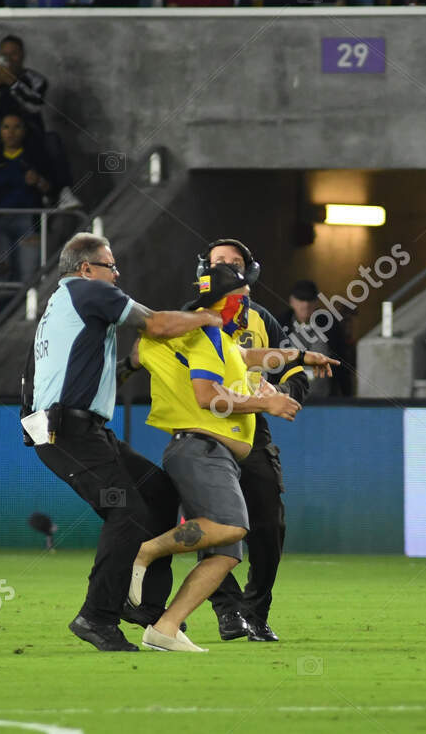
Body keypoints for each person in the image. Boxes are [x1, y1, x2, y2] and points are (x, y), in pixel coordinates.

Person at [24, 233, 223, 651]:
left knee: (159, 492)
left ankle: (145, 605)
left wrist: (132, 363)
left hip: (79, 430)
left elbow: (78, 373)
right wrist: (205, 319)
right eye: (110, 266)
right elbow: (157, 324)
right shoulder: (87, 291)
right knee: (126, 510)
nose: (117, 274)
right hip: (70, 432)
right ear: (86, 269)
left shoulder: (62, 303)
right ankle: (96, 616)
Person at [127, 256, 306, 652]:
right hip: (202, 448)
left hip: (209, 451)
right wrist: (266, 405)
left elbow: (246, 359)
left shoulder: (206, 338)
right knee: (232, 527)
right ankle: (144, 551)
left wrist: (300, 357)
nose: (245, 306)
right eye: (240, 298)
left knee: (226, 554)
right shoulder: (208, 335)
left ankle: (166, 628)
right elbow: (207, 397)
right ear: (226, 301)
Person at [185, 242, 327, 643]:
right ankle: (227, 611)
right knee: (216, 526)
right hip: (203, 430)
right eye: (219, 264)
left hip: (251, 431)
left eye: (235, 264)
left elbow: (295, 369)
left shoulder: (262, 318)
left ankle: (256, 612)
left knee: (269, 525)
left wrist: (284, 394)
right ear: (203, 271)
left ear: (250, 272)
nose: (229, 270)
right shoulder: (187, 318)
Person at [0, 113, 54, 281]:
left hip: (28, 222)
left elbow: (51, 189)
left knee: (28, 274)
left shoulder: (36, 158)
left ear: (24, 131)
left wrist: (38, 180)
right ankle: (1, 307)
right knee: (1, 273)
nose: (11, 132)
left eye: (17, 127)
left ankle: (28, 308)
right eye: (6, 127)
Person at [280, 280, 353, 398]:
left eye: (310, 300)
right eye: (301, 300)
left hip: (324, 400)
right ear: (292, 301)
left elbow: (342, 361)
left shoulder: (330, 326)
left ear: (316, 302)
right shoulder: (280, 324)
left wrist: (347, 395)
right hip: (287, 399)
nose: (305, 305)